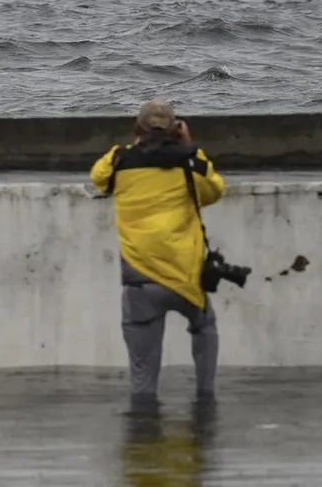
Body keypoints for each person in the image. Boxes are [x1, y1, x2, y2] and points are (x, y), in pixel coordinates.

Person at [90, 100, 226, 399]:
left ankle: (143, 418)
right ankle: (205, 395)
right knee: (205, 325)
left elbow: (98, 178)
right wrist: (189, 145)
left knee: (142, 371)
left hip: (140, 279)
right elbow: (214, 190)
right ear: (176, 129)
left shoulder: (119, 160)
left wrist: (136, 143)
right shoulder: (190, 161)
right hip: (185, 277)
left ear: (137, 128)